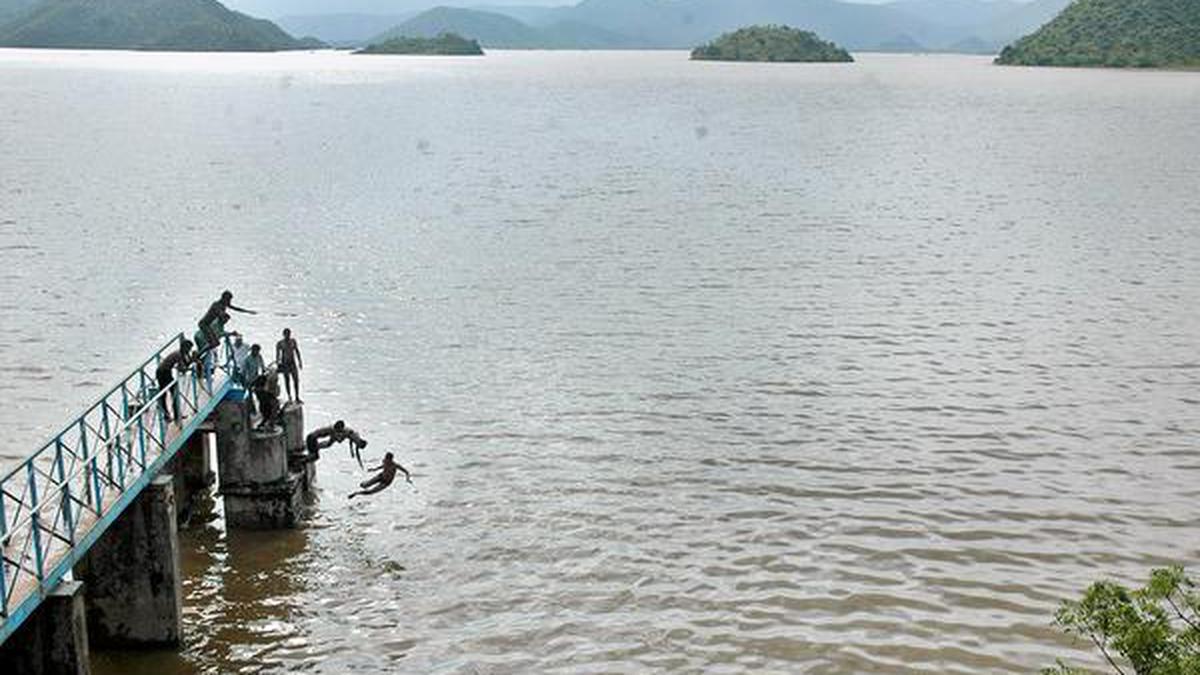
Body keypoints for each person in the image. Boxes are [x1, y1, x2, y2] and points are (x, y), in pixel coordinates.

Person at [155, 338, 194, 424]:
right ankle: (168, 415)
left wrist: (191, 360)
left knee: (173, 392)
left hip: (166, 371)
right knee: (167, 393)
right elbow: (182, 369)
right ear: (185, 348)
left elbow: (184, 364)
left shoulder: (181, 354)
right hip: (163, 372)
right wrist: (188, 367)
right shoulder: (179, 354)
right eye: (189, 348)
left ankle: (176, 414)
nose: (190, 350)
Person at [275, 328, 303, 403]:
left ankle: (297, 396)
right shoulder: (280, 343)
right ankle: (289, 396)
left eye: (288, 334)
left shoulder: (293, 341)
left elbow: (297, 351)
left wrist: (300, 361)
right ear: (283, 335)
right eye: (286, 334)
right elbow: (278, 355)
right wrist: (278, 364)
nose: (287, 336)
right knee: (287, 380)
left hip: (292, 363)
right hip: (285, 364)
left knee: (296, 380)